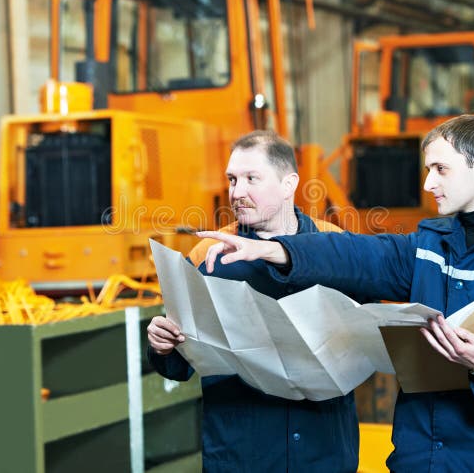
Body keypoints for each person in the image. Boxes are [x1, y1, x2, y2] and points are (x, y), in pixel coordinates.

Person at [198, 115, 474, 472]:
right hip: (423, 459)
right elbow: (357, 254)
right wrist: (274, 248)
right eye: (427, 170)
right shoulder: (428, 245)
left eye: (440, 169)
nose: (428, 183)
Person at [147, 130, 360, 473]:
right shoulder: (207, 257)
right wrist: (162, 345)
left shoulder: (335, 247)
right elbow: (178, 365)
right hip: (243, 454)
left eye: (251, 179)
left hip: (323, 451)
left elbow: (367, 340)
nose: (237, 191)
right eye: (232, 179)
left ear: (289, 184)